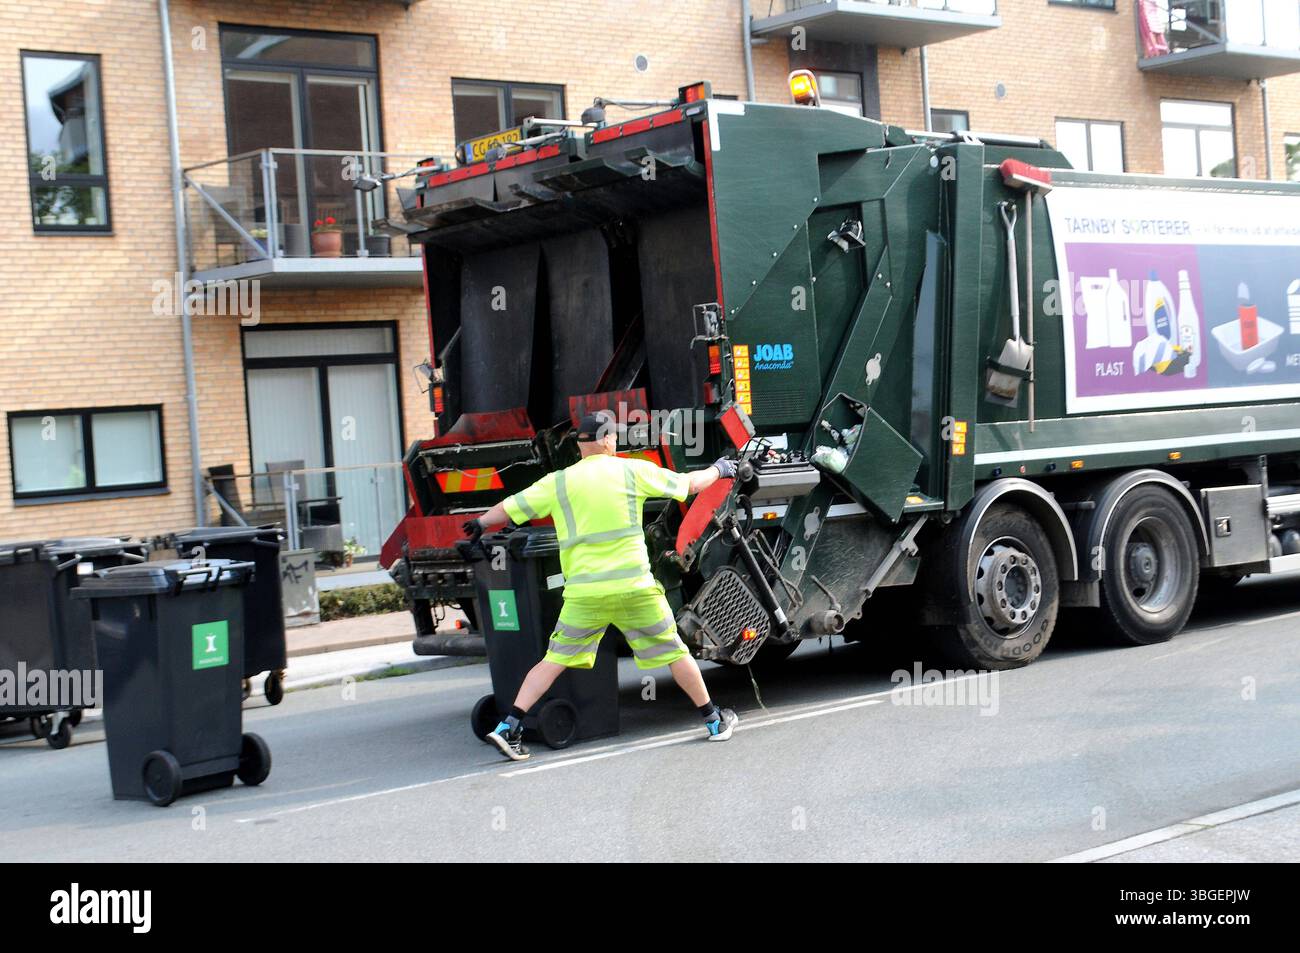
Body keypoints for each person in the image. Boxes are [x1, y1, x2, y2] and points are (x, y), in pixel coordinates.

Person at [463, 409, 739, 761]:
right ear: (608, 440)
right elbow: (689, 486)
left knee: (554, 659)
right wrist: (721, 469)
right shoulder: (630, 470)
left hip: (585, 594)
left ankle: (508, 727)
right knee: (673, 652)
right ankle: (714, 721)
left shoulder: (559, 481)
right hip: (634, 588)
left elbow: (513, 506)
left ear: (581, 444)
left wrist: (480, 522)